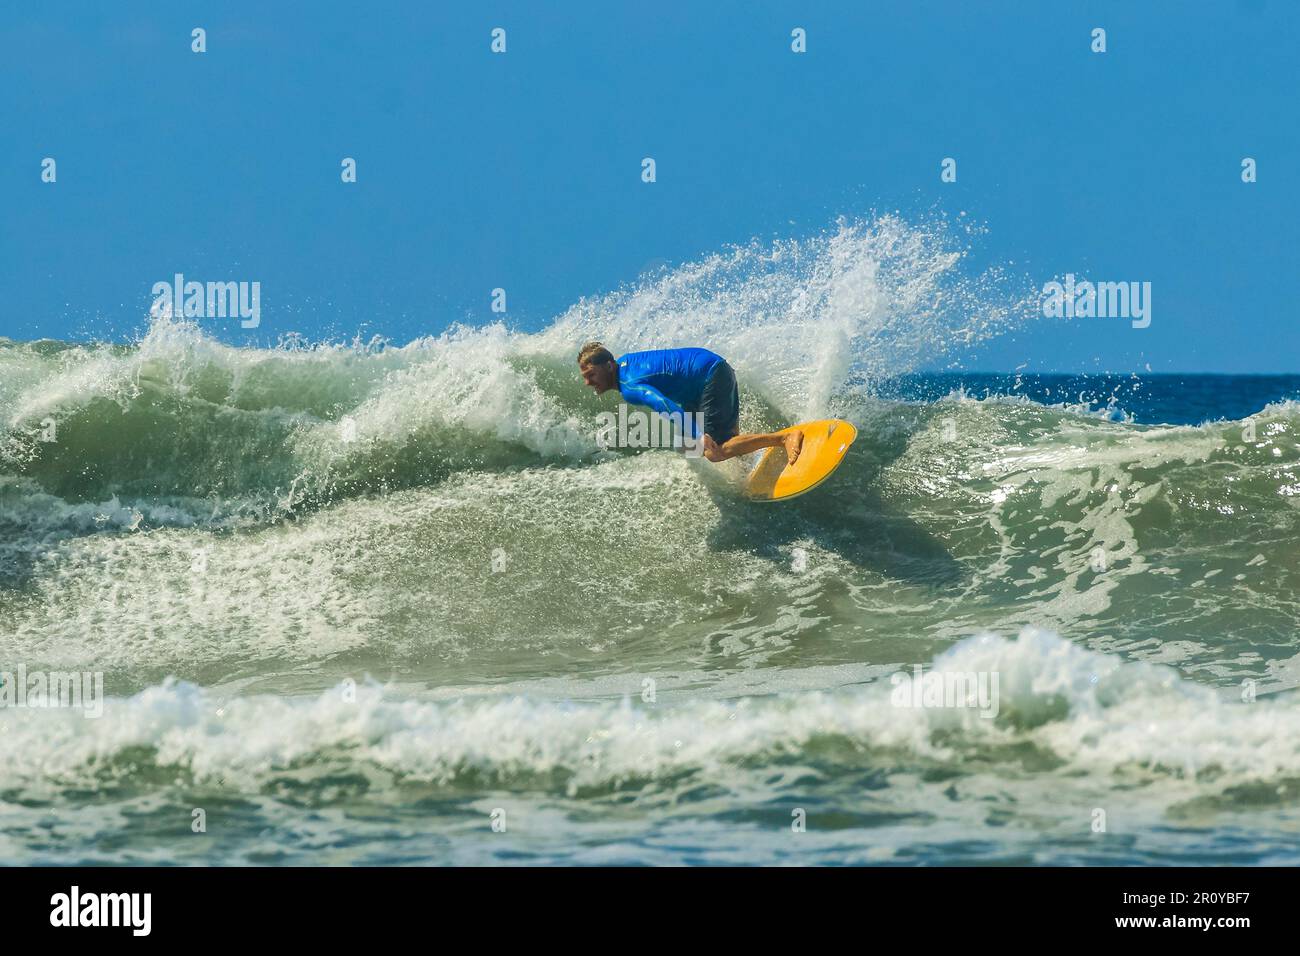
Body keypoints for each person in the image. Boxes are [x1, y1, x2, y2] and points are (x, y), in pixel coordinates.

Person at [577, 342, 802, 464]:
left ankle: (783, 437)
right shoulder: (624, 362)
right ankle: (751, 461)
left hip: (709, 376)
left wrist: (698, 434)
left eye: (591, 375)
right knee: (693, 447)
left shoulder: (629, 386)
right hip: (707, 373)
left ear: (608, 366)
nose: (588, 382)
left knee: (713, 452)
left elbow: (663, 404)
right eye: (585, 377)